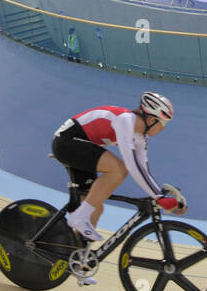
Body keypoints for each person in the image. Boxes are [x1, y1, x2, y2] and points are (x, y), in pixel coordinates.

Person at [51, 93, 181, 246]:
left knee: (95, 208)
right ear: (152, 120)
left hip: (81, 147)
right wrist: (158, 197)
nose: (163, 129)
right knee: (118, 169)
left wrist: (159, 194)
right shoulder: (125, 120)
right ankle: (78, 217)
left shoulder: (140, 138)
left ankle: (77, 255)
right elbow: (131, 165)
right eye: (163, 124)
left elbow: (143, 170)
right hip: (66, 142)